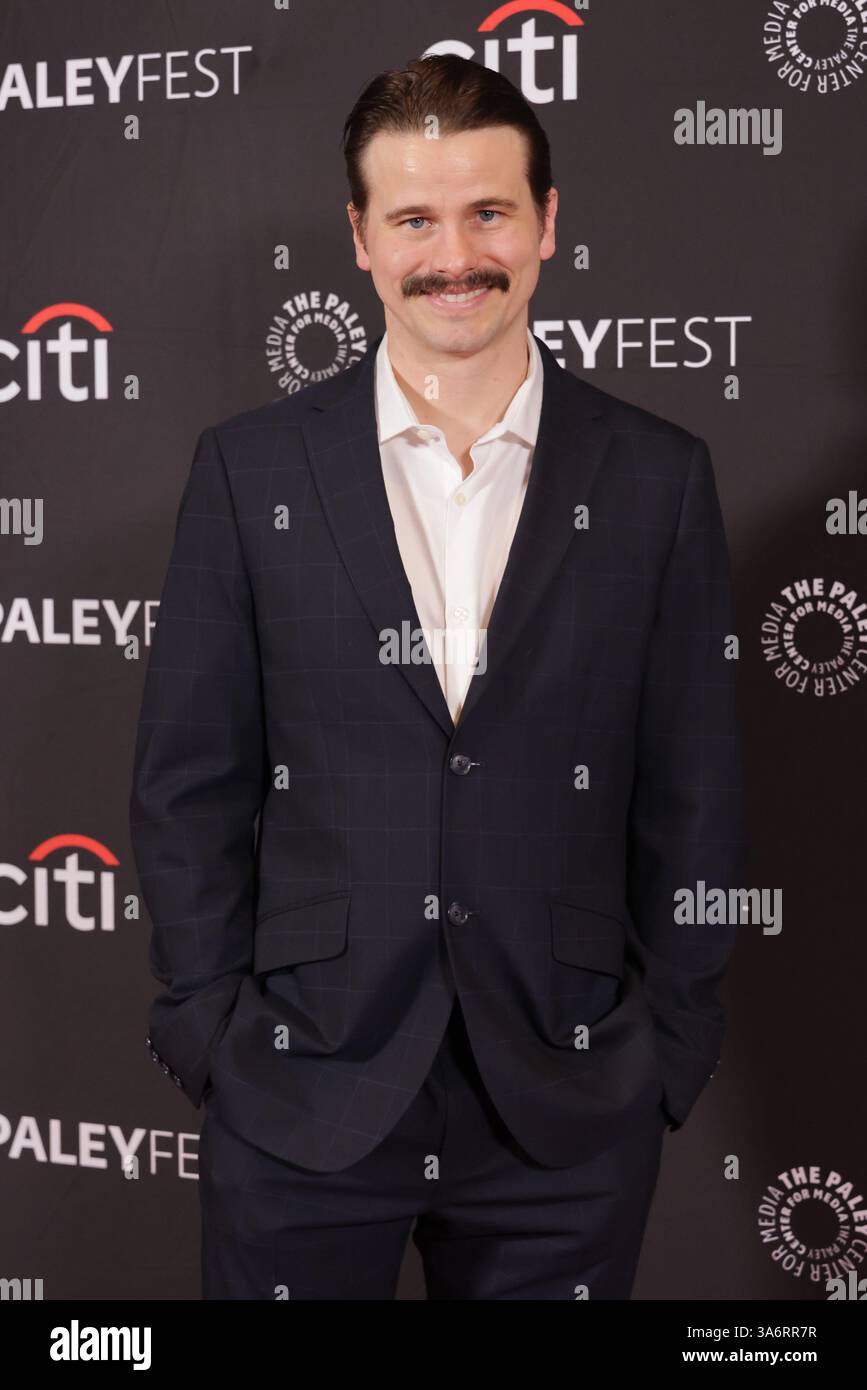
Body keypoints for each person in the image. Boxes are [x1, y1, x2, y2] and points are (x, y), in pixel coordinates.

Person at [130, 53, 749, 1300]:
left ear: (548, 223)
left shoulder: (657, 476)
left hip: (569, 1102)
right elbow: (188, 781)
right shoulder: (250, 474)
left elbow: (696, 789)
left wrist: (667, 1048)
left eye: (488, 212)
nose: (451, 253)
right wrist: (211, 1034)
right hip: (304, 1087)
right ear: (360, 237)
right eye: (413, 217)